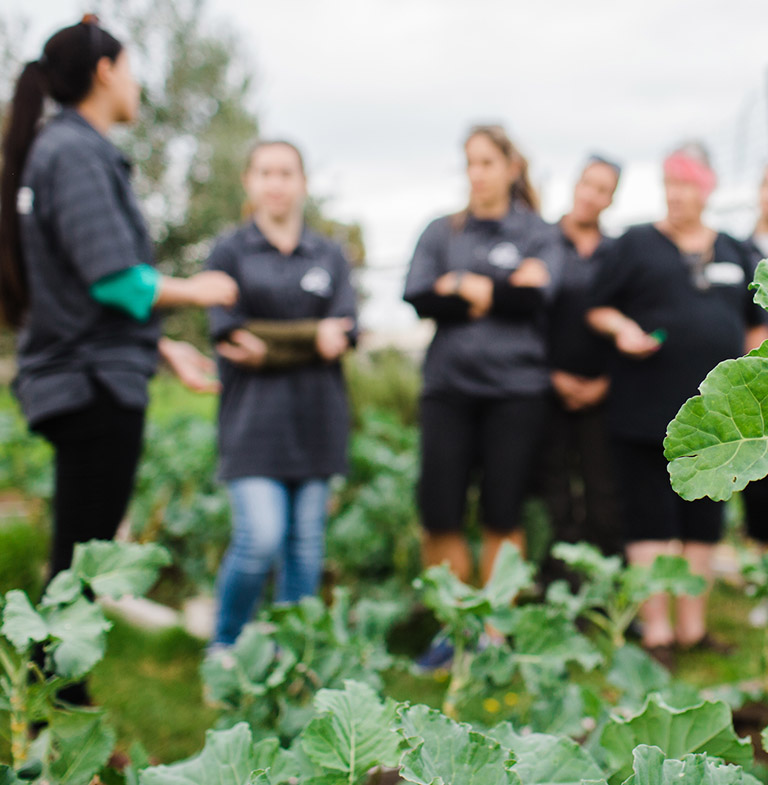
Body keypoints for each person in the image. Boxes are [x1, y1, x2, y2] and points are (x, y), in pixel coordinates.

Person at [0, 17, 239, 582]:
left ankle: (50, 669)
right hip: (93, 386)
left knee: (78, 563)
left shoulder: (61, 150)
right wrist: (201, 290)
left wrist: (161, 349)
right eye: (132, 71)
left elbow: (79, 293)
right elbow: (114, 281)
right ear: (105, 72)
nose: (137, 87)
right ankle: (50, 671)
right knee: (82, 571)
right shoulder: (77, 154)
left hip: (85, 377)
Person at [586, 142, 764, 660]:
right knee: (649, 521)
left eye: (686, 184)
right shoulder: (636, 244)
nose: (676, 195)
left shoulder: (734, 249)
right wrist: (622, 330)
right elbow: (598, 308)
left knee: (702, 526)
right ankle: (657, 633)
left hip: (717, 421)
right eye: (669, 185)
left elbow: (755, 327)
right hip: (644, 409)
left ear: (707, 187)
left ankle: (692, 629)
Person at [206, 139, 357, 648]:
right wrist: (312, 337)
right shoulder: (229, 251)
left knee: (305, 550)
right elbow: (231, 336)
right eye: (266, 173)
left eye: (286, 173)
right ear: (249, 181)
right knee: (259, 538)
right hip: (252, 425)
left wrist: (271, 344)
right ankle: (225, 646)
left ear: (303, 183)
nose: (276, 183)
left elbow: (344, 336)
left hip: (317, 422)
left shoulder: (329, 254)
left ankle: (290, 661)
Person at [403, 124, 562, 597]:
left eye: (487, 162)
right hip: (448, 390)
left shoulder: (538, 233)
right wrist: (502, 289)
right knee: (439, 512)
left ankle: (492, 626)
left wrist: (466, 285)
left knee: (503, 511)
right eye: (470, 163)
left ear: (512, 168)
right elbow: (419, 297)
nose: (477, 174)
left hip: (516, 393)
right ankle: (454, 627)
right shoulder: (441, 230)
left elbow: (535, 298)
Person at [542, 155, 623, 563]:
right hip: (548, 388)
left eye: (603, 189)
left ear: (611, 199)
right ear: (576, 184)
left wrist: (604, 384)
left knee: (603, 489)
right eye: (587, 184)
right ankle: (559, 581)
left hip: (601, 392)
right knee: (553, 489)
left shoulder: (617, 253)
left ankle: (605, 581)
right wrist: (552, 376)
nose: (592, 195)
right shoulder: (543, 242)